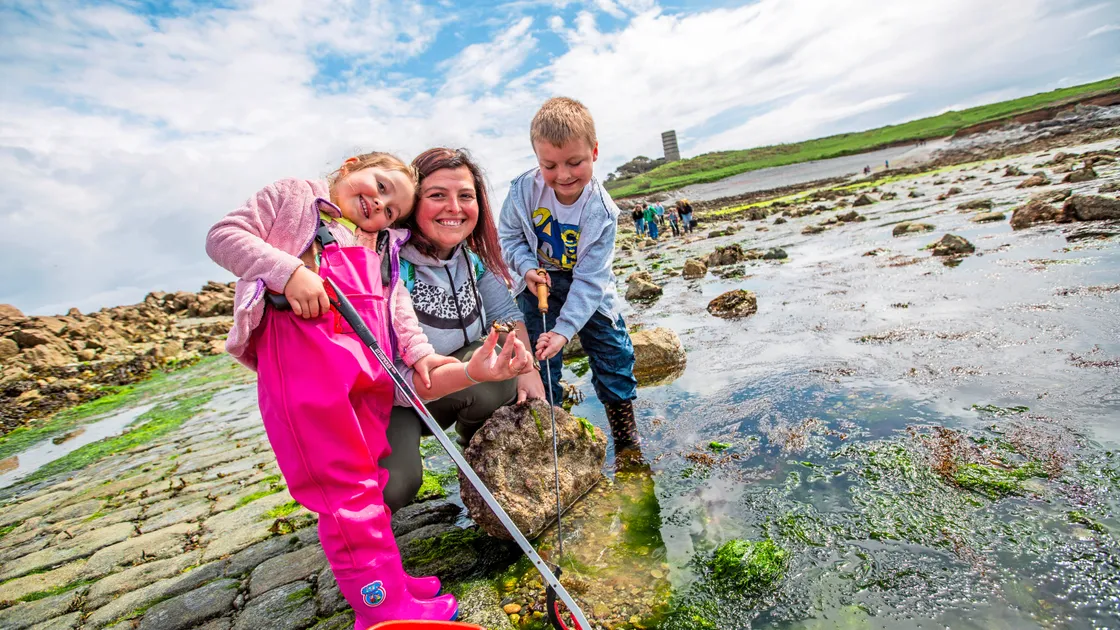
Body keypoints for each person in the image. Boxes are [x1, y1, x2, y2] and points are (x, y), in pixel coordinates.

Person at [205, 152, 532, 627]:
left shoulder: (383, 247)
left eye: (390, 208)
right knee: (347, 490)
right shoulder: (297, 197)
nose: (377, 205)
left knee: (367, 475)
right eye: (378, 186)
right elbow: (223, 237)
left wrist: (423, 357)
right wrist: (289, 271)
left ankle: (391, 579)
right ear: (352, 164)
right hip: (305, 372)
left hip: (366, 381)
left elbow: (397, 316)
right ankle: (378, 606)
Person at [381, 147, 546, 511]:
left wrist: (528, 368)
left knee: (501, 360)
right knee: (394, 487)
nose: (454, 208)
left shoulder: (472, 261)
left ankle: (479, 453)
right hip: (392, 399)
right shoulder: (384, 262)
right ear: (411, 203)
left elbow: (505, 312)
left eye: (466, 196)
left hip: (447, 386)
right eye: (437, 195)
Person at [498, 96, 642, 465]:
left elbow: (591, 282)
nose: (563, 175)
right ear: (537, 160)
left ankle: (626, 439)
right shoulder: (522, 192)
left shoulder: (603, 212)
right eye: (550, 165)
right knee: (542, 358)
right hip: (537, 284)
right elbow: (509, 238)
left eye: (575, 162)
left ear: (594, 152)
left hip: (586, 288)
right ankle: (553, 431)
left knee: (613, 351)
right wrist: (528, 267)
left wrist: (564, 331)